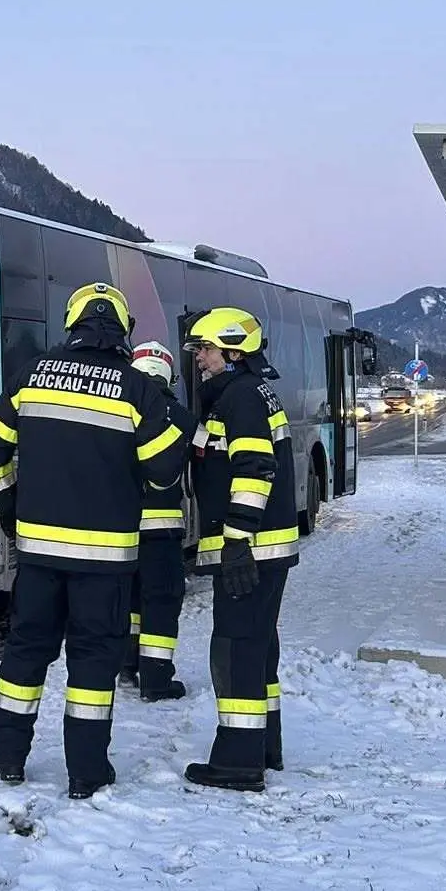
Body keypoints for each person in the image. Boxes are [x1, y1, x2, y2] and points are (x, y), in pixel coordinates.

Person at [0, 283, 187, 799]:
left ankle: (7, 759)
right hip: (104, 559)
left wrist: (9, 507)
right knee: (94, 663)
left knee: (25, 654)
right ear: (123, 331)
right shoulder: (136, 388)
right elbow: (164, 474)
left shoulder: (33, 375)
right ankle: (86, 773)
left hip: (38, 555)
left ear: (72, 324)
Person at [183, 308, 299, 793]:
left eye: (205, 349)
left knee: (235, 649)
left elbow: (253, 470)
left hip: (250, 550)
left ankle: (236, 761)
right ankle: (264, 747)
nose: (199, 359)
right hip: (265, 548)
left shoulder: (242, 398)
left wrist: (236, 542)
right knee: (257, 647)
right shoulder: (246, 393)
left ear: (234, 352)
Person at [122, 340, 192, 701]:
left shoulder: (119, 412)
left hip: (121, 530)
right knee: (161, 602)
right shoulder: (179, 416)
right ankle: (156, 679)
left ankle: (127, 665)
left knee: (131, 600)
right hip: (162, 531)